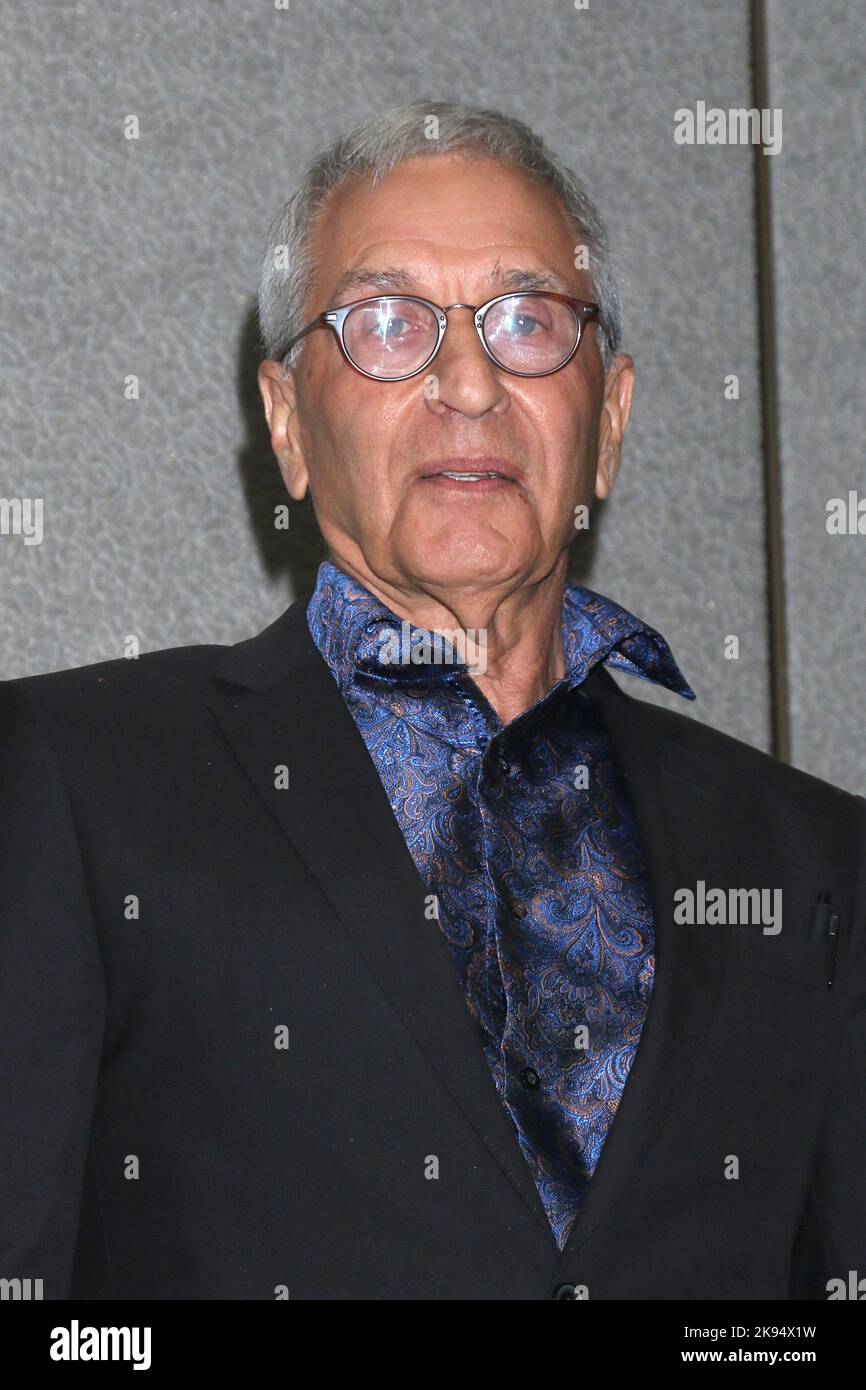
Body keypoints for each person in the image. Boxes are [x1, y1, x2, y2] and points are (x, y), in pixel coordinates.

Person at [1, 101, 863, 1301]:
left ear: (606, 424)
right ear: (288, 424)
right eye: (389, 323)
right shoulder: (67, 781)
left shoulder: (812, 854)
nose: (468, 380)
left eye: (527, 322)